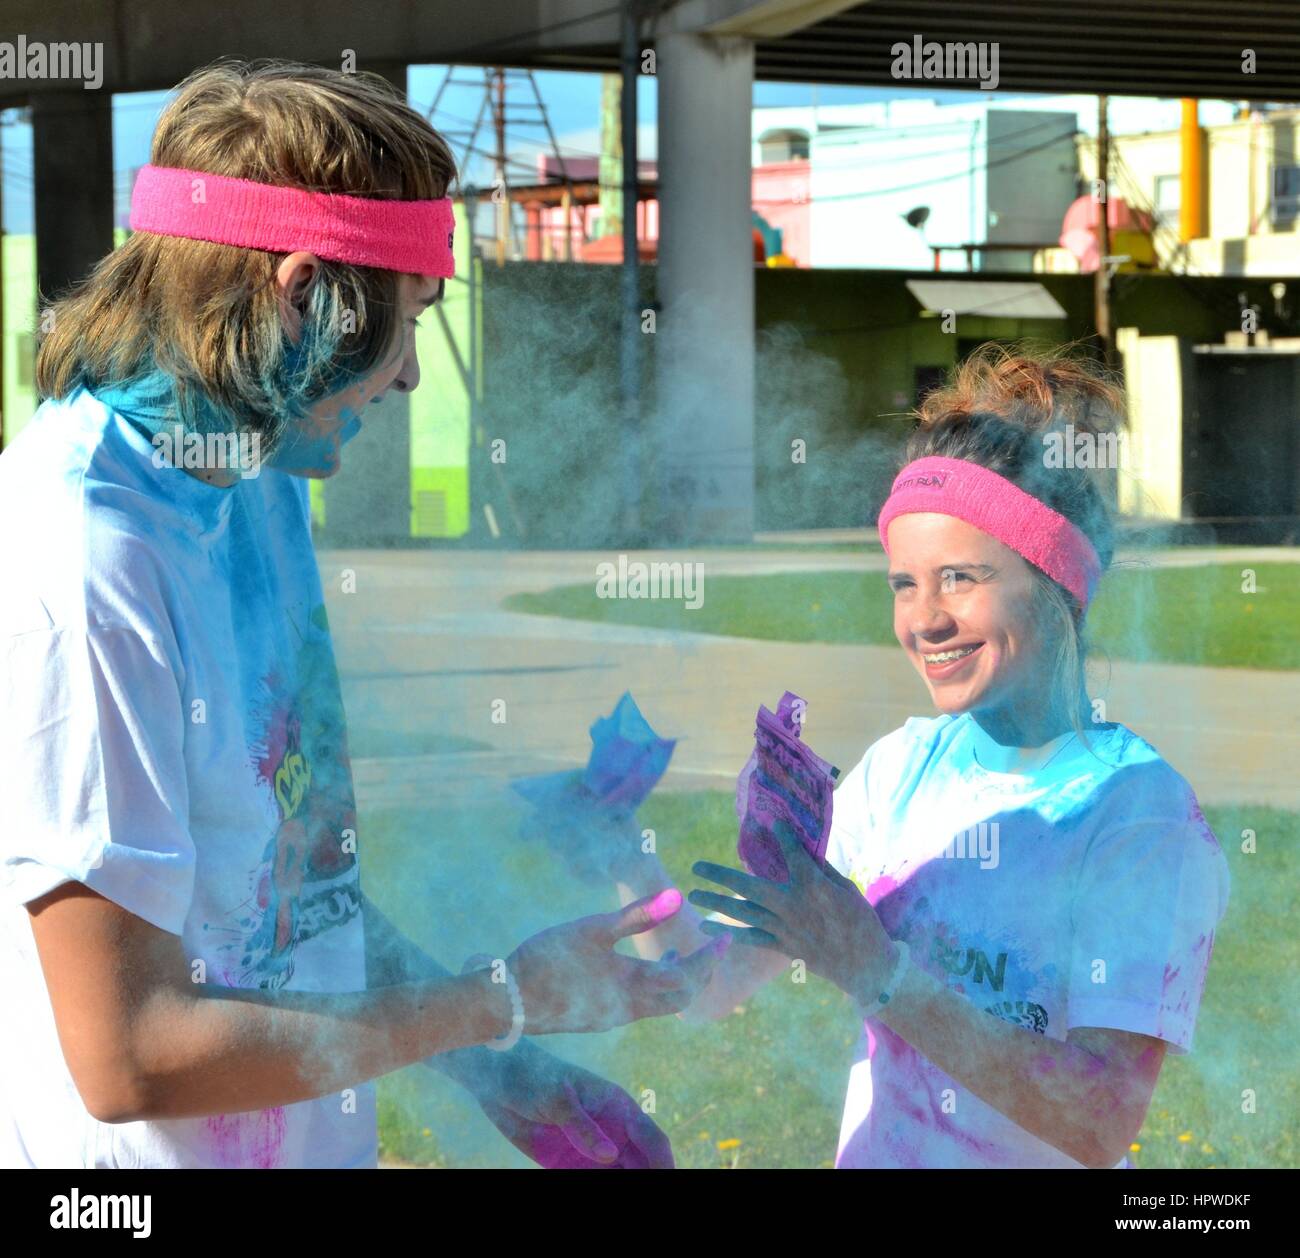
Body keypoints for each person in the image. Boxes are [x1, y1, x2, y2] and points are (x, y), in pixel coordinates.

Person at [0, 59, 723, 1170]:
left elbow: (305, 893)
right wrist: (496, 1003)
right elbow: (131, 1055)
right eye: (412, 316)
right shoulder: (87, 556)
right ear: (304, 297)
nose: (408, 381)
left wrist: (507, 1066)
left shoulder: (255, 483)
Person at [610, 345, 1231, 1169]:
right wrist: (615, 845)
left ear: (1055, 580)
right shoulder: (898, 773)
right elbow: (708, 985)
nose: (923, 620)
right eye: (904, 584)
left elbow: (1099, 1119)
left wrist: (878, 973)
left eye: (960, 579)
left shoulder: (1135, 816)